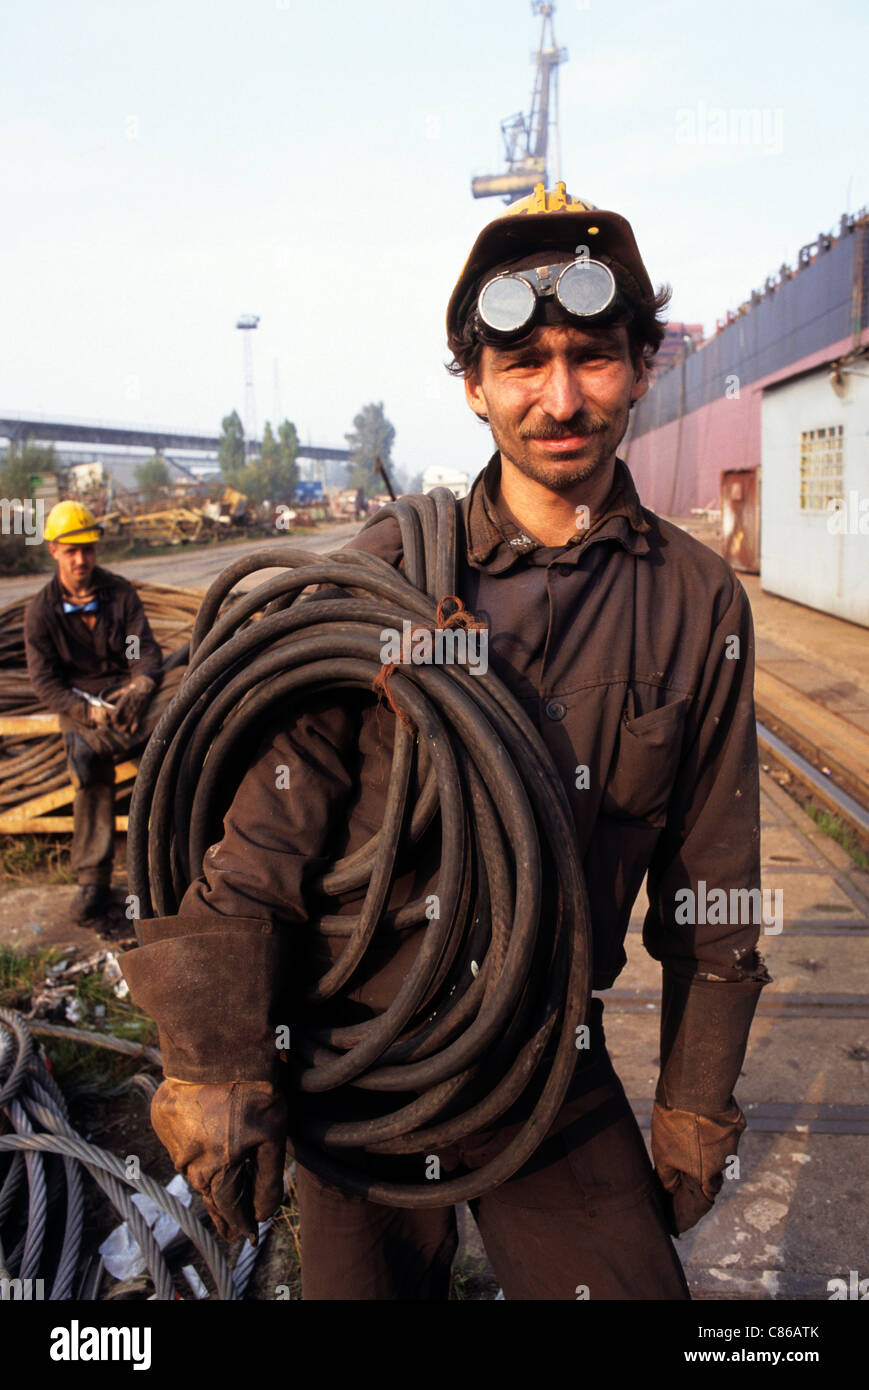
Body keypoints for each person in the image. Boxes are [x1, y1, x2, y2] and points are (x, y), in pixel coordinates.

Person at [123, 183, 770, 1300]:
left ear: (640, 367)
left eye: (592, 356)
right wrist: (216, 1064)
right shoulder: (385, 575)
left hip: (542, 1062)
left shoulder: (695, 601)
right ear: (472, 386)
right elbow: (267, 837)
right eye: (522, 365)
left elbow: (712, 883)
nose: (559, 397)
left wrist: (693, 1094)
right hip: (367, 1065)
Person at [24, 501, 165, 927]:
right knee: (87, 764)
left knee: (169, 745)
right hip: (81, 707)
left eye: (88, 549)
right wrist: (84, 712)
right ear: (53, 550)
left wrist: (140, 685)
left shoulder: (119, 593)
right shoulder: (41, 612)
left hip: (128, 699)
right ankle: (93, 880)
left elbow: (144, 651)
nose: (82, 559)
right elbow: (46, 682)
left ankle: (169, 862)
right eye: (72, 551)